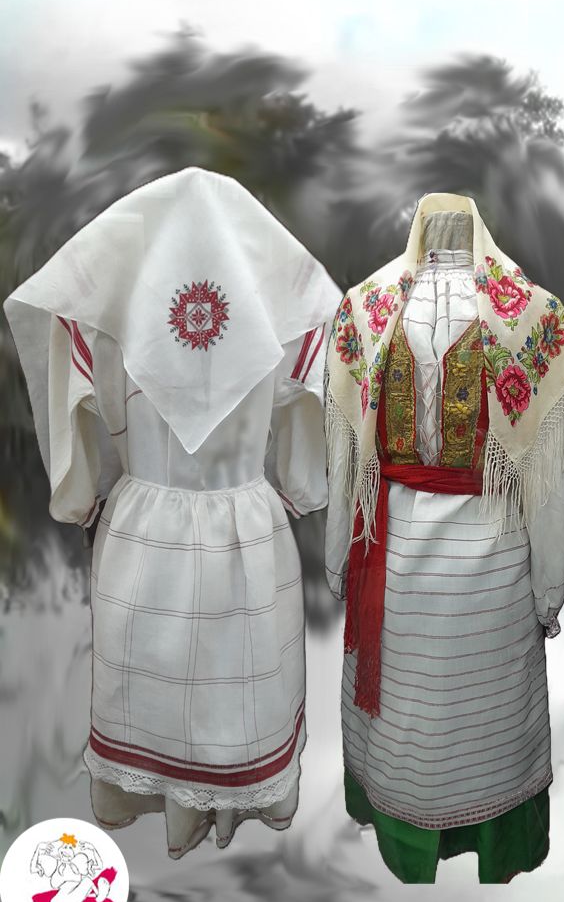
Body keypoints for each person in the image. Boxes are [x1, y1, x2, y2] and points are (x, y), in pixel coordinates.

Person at [4, 167, 339, 858]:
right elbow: (310, 407)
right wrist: (299, 485)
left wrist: (89, 491)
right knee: (242, 684)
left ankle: (162, 801)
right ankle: (228, 804)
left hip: (141, 528)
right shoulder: (282, 297)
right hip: (248, 524)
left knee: (151, 681)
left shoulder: (103, 303)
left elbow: (75, 414)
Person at [324, 193, 564, 883]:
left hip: (394, 556)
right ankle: (497, 845)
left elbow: (344, 460)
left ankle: (408, 844)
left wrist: (335, 559)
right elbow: (546, 481)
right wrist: (550, 587)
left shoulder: (364, 308)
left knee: (408, 721)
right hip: (495, 556)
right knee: (487, 719)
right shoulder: (535, 315)